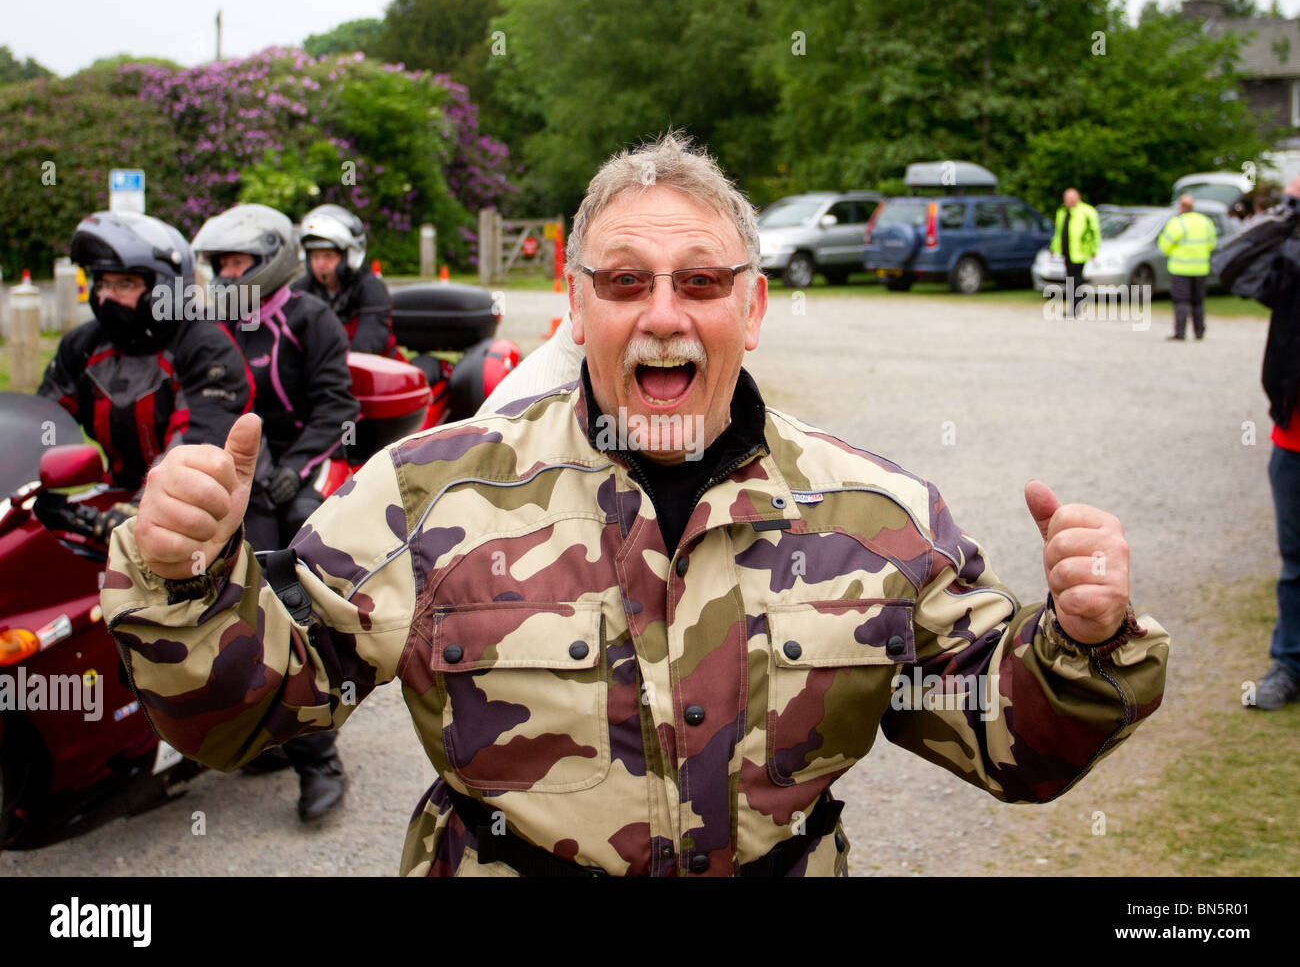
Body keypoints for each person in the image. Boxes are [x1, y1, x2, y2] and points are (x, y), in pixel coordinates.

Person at [102, 133, 1169, 877]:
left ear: (753, 308)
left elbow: (1010, 748)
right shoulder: (425, 492)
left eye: (701, 282)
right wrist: (190, 586)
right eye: (624, 282)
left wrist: (1080, 644)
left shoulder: (875, 511)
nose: (664, 315)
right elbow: (250, 726)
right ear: (576, 305)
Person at [191, 202, 360, 820]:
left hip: (304, 467)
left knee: (283, 596)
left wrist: (291, 468)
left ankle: (320, 761)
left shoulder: (308, 317)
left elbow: (338, 407)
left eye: (240, 263)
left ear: (270, 262)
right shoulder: (214, 325)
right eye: (222, 264)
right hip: (240, 471)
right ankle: (225, 724)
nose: (230, 275)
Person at [37, 210, 252, 537]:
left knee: (248, 575)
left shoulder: (204, 346)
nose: (107, 297)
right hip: (119, 501)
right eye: (102, 283)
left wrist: (141, 508)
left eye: (124, 284)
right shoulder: (84, 344)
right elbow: (43, 419)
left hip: (219, 504)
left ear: (165, 288)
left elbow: (194, 449)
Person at [1245, 176, 1300, 708]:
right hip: (1294, 442)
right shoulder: (1291, 256)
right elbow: (1231, 266)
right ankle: (1289, 664)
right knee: (1295, 564)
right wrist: (1289, 213)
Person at [290, 204, 400, 359]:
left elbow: (367, 346)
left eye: (328, 256)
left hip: (376, 374)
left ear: (349, 255)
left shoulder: (370, 288)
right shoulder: (300, 291)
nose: (320, 264)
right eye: (315, 257)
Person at [1157, 194, 1217, 341]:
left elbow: (1164, 245)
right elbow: (1212, 243)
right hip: (1201, 268)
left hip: (1180, 268)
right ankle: (1199, 332)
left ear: (1181, 207)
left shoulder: (1177, 223)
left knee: (1181, 301)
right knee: (1198, 301)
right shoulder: (1205, 222)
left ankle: (1180, 332)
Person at [1050, 188, 1100, 318]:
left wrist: (1093, 250)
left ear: (1078, 198)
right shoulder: (1061, 212)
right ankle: (1074, 305)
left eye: (1072, 199)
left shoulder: (1086, 211)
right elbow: (1058, 233)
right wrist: (1053, 248)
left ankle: (1076, 306)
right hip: (1067, 251)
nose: (1069, 201)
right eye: (1067, 199)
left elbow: (1095, 232)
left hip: (1080, 252)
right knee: (1070, 279)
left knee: (1076, 279)